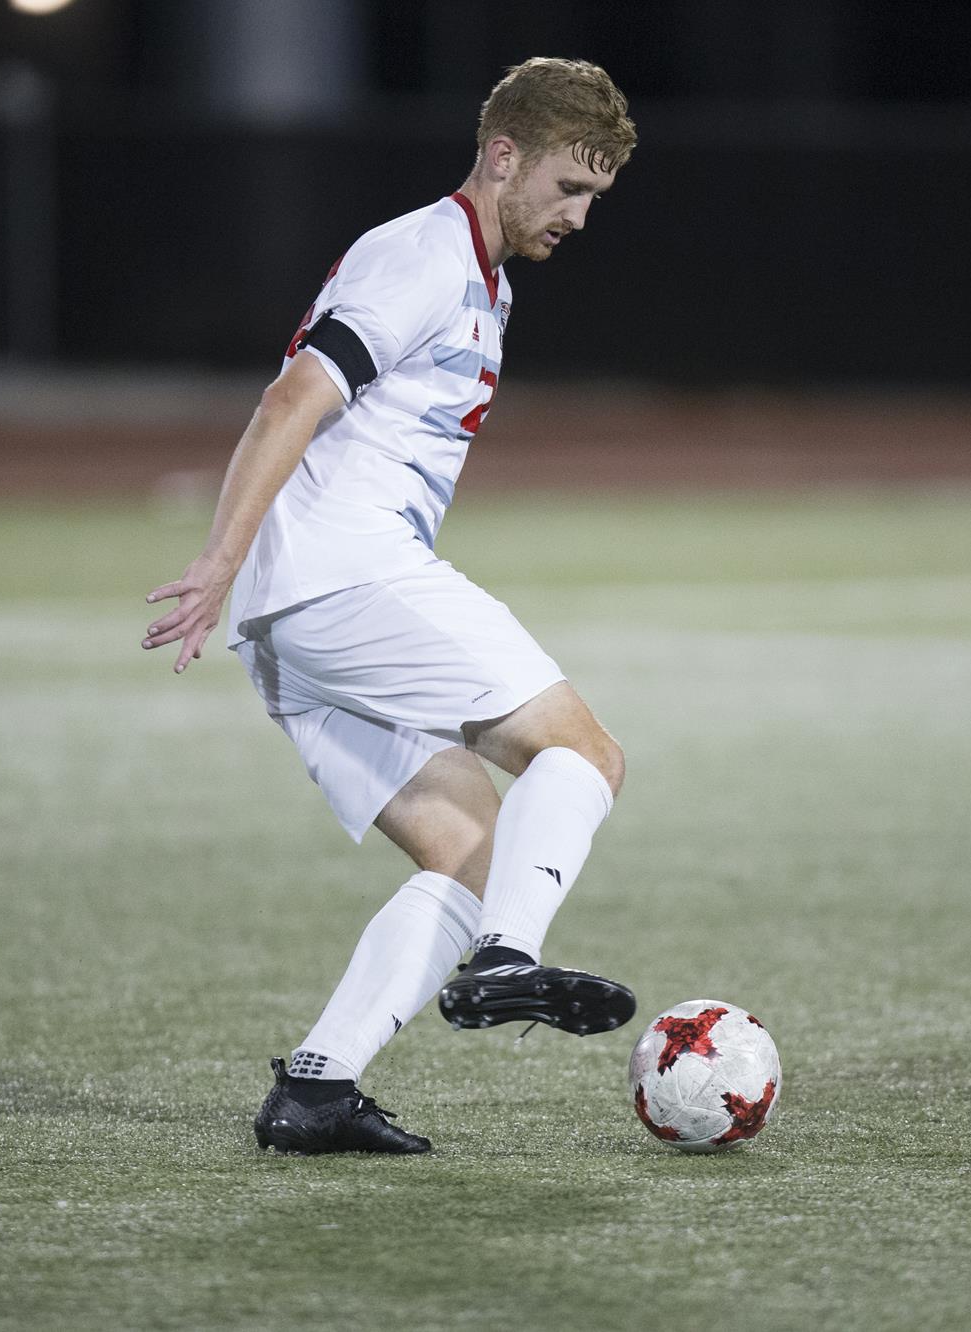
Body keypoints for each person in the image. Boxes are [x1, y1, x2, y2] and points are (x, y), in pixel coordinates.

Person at [143, 57, 638, 1155]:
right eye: (566, 187)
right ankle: (507, 959)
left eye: (593, 199)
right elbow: (291, 399)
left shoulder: (482, 277)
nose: (577, 216)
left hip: (296, 621)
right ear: (500, 155)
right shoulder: (420, 254)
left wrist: (245, 580)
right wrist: (220, 555)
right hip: (343, 577)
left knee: (470, 850)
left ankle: (316, 1089)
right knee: (586, 755)